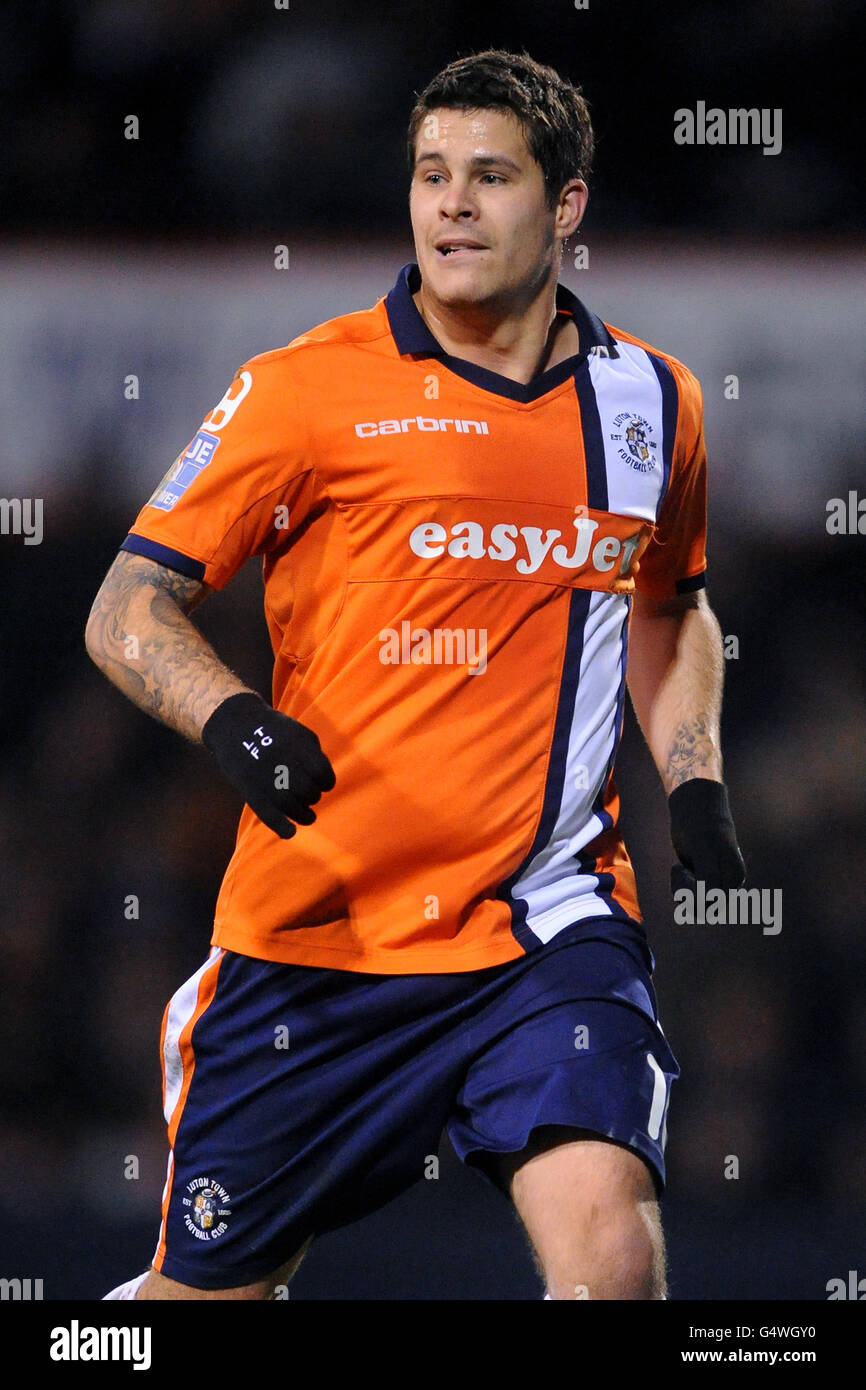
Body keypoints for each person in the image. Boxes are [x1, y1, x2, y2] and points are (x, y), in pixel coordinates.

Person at [85, 48, 745, 1302]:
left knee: (612, 1259)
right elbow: (126, 605)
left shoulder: (649, 401)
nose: (449, 203)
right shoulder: (301, 392)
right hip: (319, 947)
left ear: (565, 207)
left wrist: (695, 775)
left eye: (488, 177)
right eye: (431, 174)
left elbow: (672, 605)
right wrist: (232, 719)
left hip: (544, 925)